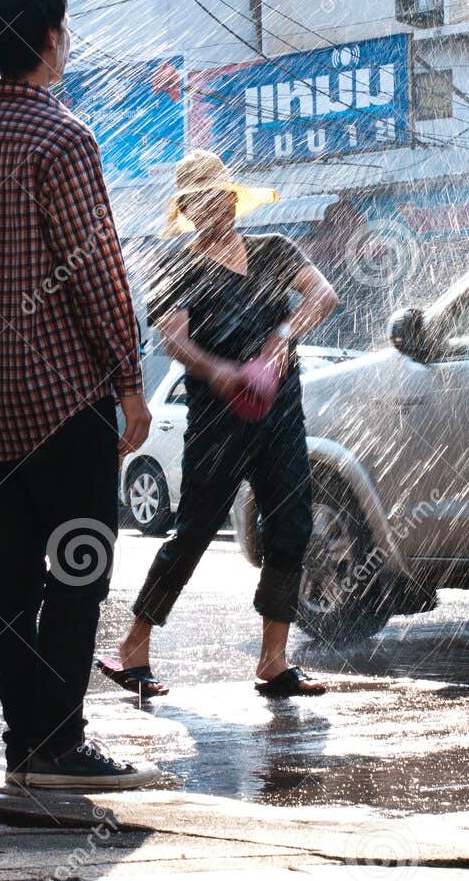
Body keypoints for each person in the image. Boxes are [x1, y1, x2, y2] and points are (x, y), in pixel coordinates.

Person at [0, 0, 156, 790]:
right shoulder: (63, 137)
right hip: (64, 394)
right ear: (52, 39)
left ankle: (25, 738)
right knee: (79, 566)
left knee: (12, 571)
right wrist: (128, 377)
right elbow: (95, 267)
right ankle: (59, 743)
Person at [101, 150, 338, 699]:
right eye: (199, 200)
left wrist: (282, 337)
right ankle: (134, 647)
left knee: (293, 527)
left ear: (234, 199)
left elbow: (323, 295)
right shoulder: (177, 266)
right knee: (194, 532)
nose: (213, 206)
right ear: (185, 210)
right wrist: (219, 371)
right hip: (217, 422)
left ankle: (273, 661)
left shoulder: (274, 249)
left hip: (281, 413)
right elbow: (174, 339)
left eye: (220, 195)